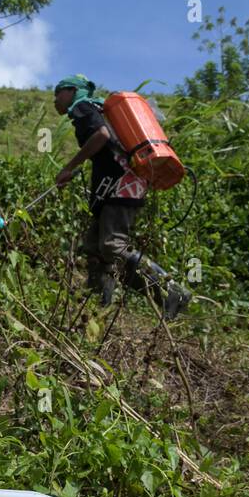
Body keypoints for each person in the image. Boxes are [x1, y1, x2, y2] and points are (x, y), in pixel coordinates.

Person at [53, 75, 190, 318]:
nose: (55, 99)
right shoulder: (94, 109)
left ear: (73, 90)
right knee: (94, 247)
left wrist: (69, 167)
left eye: (59, 92)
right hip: (119, 185)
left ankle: (170, 291)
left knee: (111, 245)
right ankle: (96, 307)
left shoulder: (82, 107)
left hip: (121, 184)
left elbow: (101, 136)